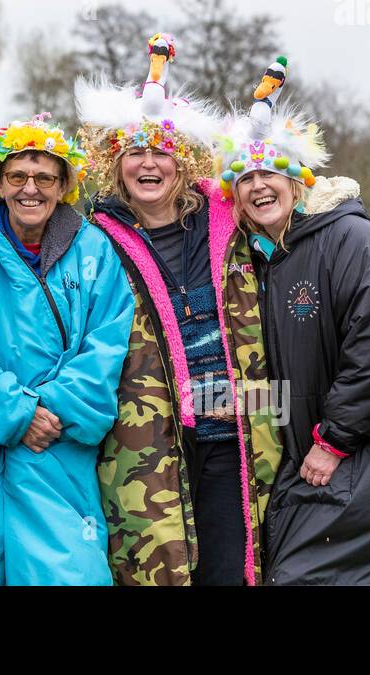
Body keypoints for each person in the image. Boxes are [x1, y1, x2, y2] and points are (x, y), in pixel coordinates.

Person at [219, 56, 370, 585]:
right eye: (246, 177)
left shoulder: (350, 239)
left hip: (369, 466)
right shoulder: (272, 256)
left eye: (271, 173)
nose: (259, 186)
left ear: (298, 180)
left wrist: (333, 439)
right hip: (325, 466)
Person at [75, 34, 281, 586]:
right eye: (133, 154)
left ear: (181, 160)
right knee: (157, 574)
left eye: (160, 151)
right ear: (115, 166)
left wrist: (339, 204)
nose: (148, 164)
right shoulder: (94, 239)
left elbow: (289, 202)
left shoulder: (231, 219)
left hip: (240, 435)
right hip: (147, 439)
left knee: (237, 572)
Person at [0, 114, 133, 585]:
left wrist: (44, 413)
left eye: (45, 178)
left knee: (73, 569)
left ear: (64, 185)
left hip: (58, 448)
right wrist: (15, 411)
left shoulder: (94, 250)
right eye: (17, 176)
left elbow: (107, 343)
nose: (30, 189)